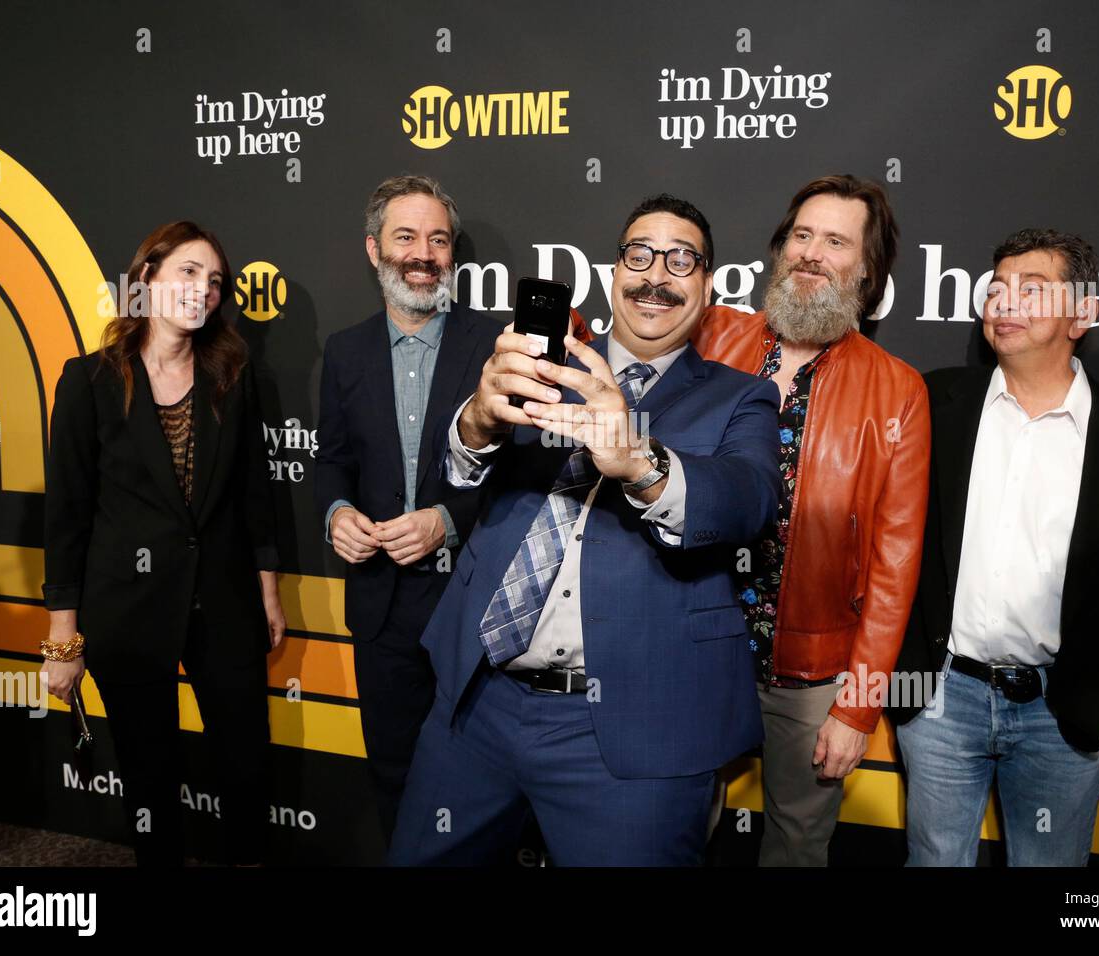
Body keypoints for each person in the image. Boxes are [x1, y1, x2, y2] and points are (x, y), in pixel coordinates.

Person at [387, 195, 780, 866]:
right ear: (612, 270)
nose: (657, 274)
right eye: (639, 254)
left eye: (681, 259)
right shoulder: (542, 365)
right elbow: (459, 474)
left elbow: (745, 501)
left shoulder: (738, 396)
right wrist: (478, 420)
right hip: (478, 704)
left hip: (635, 732)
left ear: (708, 285)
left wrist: (637, 458)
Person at [889, 228, 1099, 865]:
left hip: (1062, 713)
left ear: (1082, 313)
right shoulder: (933, 403)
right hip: (942, 701)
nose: (1005, 303)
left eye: (1032, 290)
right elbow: (888, 543)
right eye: (997, 288)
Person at [692, 175, 930, 865]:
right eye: (801, 235)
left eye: (835, 241)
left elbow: (894, 566)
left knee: (796, 847)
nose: (812, 253)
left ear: (866, 270)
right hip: (697, 647)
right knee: (670, 829)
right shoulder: (714, 337)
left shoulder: (897, 389)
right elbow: (627, 339)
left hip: (811, 673)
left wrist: (857, 708)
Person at [41, 221, 284, 866]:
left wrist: (267, 588)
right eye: (186, 272)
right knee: (149, 775)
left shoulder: (231, 373)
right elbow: (66, 515)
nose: (201, 291)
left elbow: (253, 491)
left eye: (213, 281)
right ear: (145, 277)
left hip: (226, 603)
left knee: (246, 765)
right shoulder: (88, 381)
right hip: (128, 610)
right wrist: (64, 640)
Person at [315, 175, 497, 844]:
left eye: (438, 239)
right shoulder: (344, 351)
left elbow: (521, 471)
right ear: (374, 250)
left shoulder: (495, 345)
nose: (424, 253)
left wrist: (446, 520)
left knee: (480, 778)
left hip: (472, 602)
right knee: (393, 772)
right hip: (381, 604)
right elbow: (330, 457)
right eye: (406, 237)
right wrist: (336, 512)